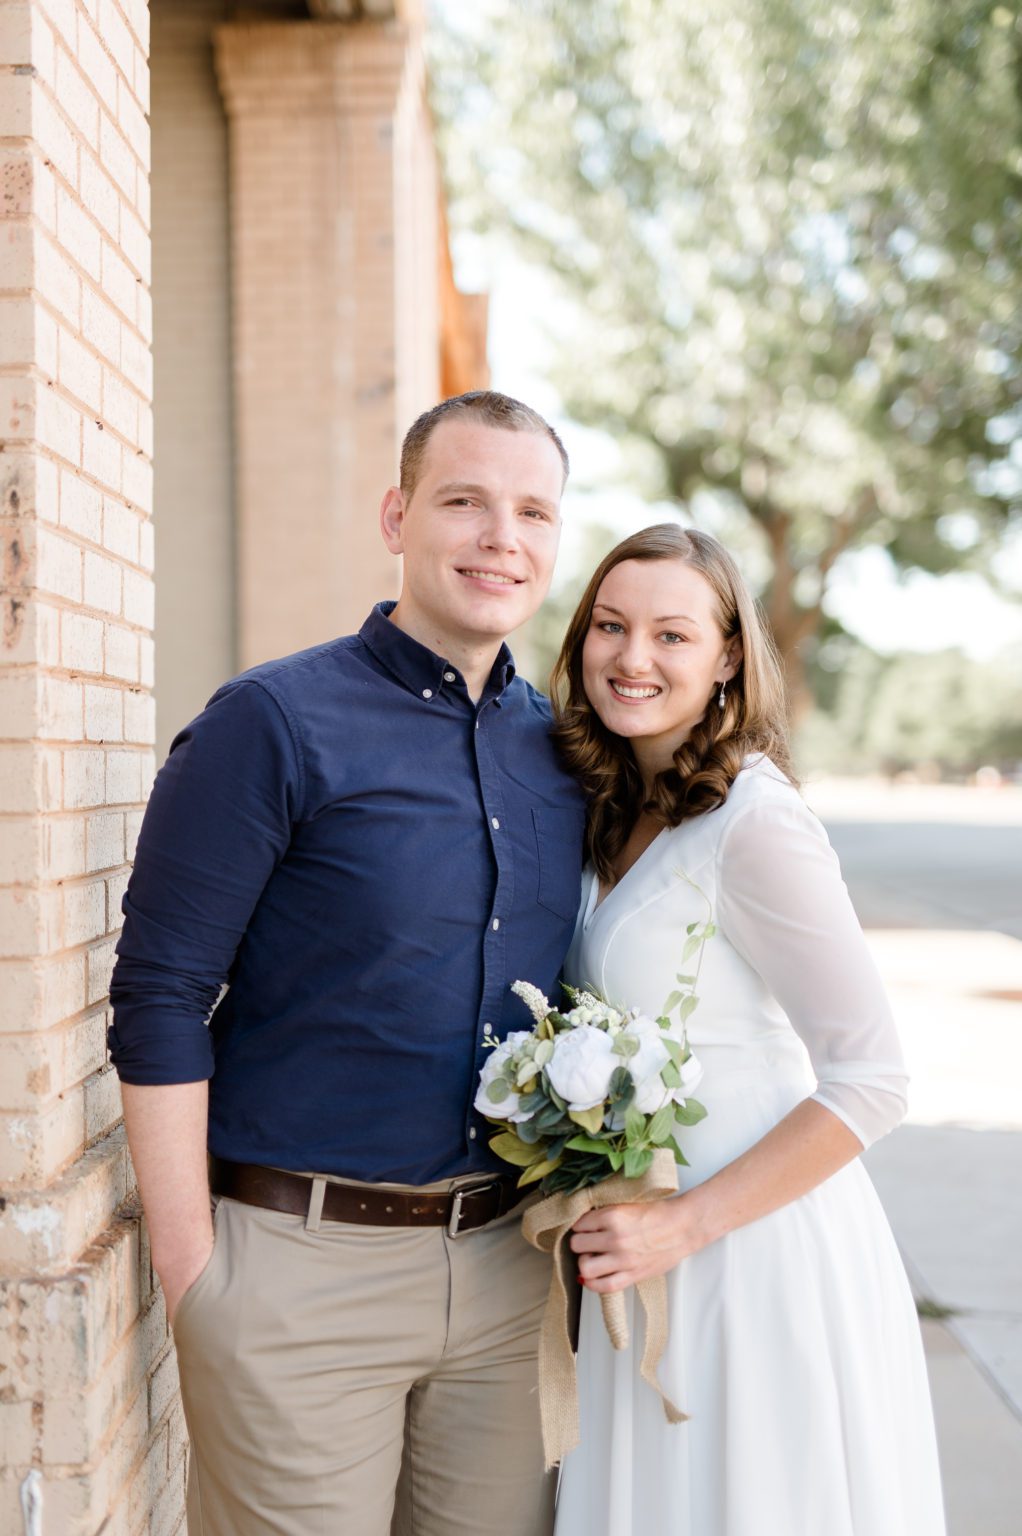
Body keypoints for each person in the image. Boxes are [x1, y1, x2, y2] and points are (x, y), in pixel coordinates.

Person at [107, 391, 587, 1536]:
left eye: (530, 511)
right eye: (463, 501)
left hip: (507, 1276)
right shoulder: (273, 721)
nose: (498, 538)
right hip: (295, 1275)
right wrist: (198, 1282)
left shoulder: (568, 752)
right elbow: (160, 992)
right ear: (396, 516)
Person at [549, 524, 946, 1536]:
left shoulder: (754, 821)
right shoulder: (604, 807)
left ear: (727, 656)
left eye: (670, 635)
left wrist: (683, 1226)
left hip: (749, 1256)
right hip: (634, 1257)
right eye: (609, 625)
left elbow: (872, 1078)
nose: (631, 658)